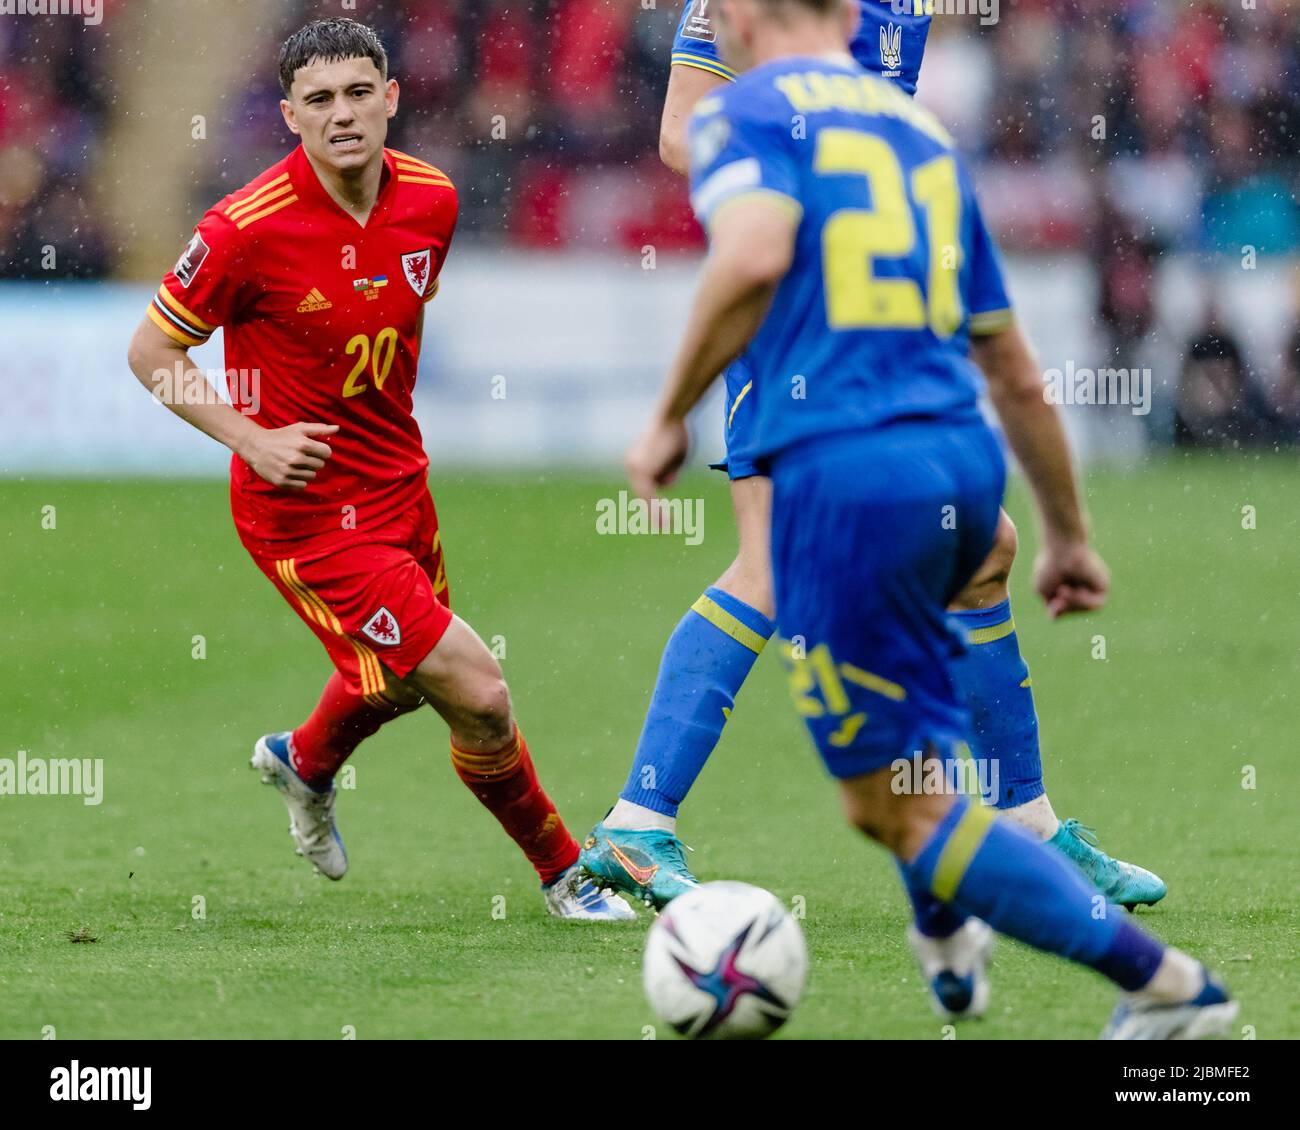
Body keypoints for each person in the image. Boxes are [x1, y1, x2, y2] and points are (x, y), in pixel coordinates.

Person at [622, 0, 1234, 1037]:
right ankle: (948, 938)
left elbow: (753, 253)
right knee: (929, 698)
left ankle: (1168, 987)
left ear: (757, 13)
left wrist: (667, 411)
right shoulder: (918, 134)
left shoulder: (752, 110)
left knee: (891, 802)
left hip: (846, 473)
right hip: (953, 450)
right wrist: (1069, 532)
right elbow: (1012, 365)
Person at [125, 17, 633, 922]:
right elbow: (150, 351)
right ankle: (566, 872)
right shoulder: (244, 229)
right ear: (289, 115)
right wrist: (250, 436)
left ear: (391, 97)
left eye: (359, 92)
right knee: (479, 691)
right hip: (305, 511)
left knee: (399, 677)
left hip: (400, 485)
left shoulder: (432, 200)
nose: (343, 114)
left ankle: (306, 761)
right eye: (319, 100)